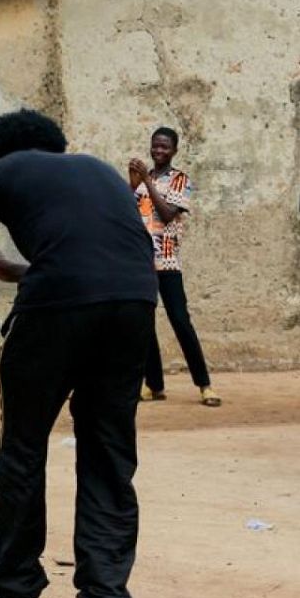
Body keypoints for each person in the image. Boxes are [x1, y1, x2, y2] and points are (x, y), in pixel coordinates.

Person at [0, 109, 158, 598]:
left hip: (53, 313)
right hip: (134, 304)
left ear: (0, 151)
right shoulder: (100, 171)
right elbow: (95, 259)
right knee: (108, 451)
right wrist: (19, 270)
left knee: (24, 448)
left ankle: (17, 597)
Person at [128, 127, 220, 407]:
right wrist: (132, 186)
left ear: (174, 151)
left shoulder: (180, 179)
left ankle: (204, 385)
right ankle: (154, 385)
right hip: (142, 262)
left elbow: (168, 214)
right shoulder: (144, 180)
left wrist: (146, 181)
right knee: (144, 324)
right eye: (155, 145)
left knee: (180, 320)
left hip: (167, 261)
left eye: (165, 147)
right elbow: (131, 214)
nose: (159, 151)